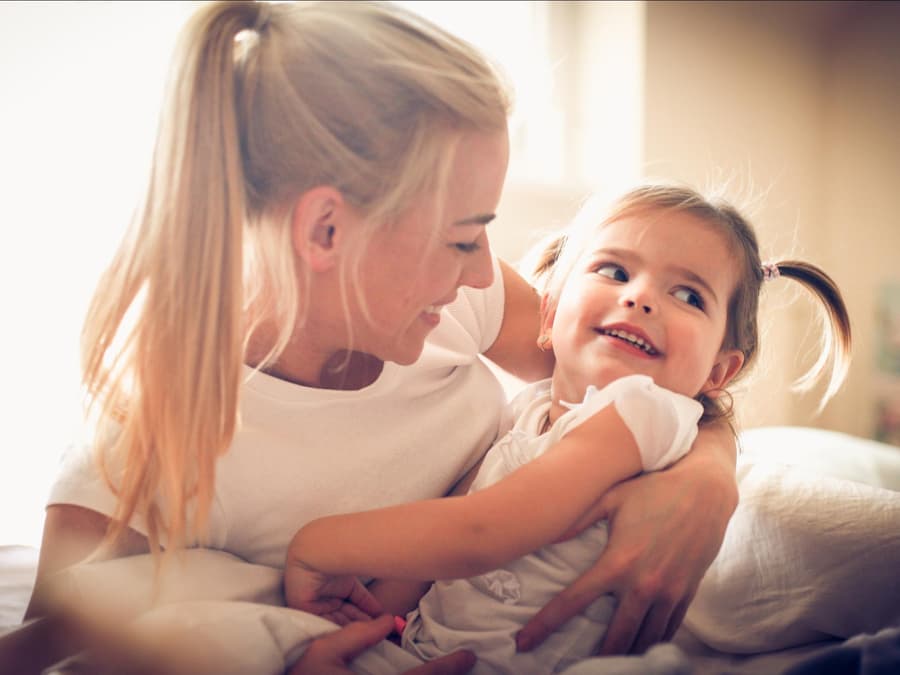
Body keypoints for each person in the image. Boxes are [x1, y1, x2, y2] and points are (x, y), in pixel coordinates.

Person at [21, 1, 740, 672]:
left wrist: (709, 472)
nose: (490, 270)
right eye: (464, 239)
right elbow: (50, 657)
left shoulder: (458, 297)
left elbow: (647, 377)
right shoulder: (143, 447)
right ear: (326, 231)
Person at [284, 183, 852, 674]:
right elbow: (447, 542)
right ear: (549, 313)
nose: (640, 298)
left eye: (688, 295)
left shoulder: (642, 412)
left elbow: (481, 531)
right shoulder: (527, 411)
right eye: (615, 271)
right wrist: (376, 616)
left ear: (717, 371)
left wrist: (319, 547)